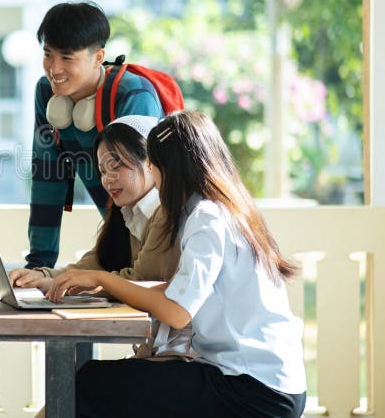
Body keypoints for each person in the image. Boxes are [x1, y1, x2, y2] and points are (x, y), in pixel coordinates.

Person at [47, 111, 307, 418]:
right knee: (98, 381)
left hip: (253, 388)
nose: (155, 179)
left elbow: (177, 311)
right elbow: (178, 290)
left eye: (154, 167)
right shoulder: (223, 210)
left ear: (168, 168)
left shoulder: (207, 218)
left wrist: (106, 282)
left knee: (92, 384)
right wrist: (98, 282)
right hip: (261, 380)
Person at [27, 1, 164, 269]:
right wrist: (39, 265)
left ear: (98, 57)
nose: (54, 69)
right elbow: (47, 178)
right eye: (48, 54)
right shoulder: (46, 93)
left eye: (67, 57)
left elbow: (142, 188)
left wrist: (103, 266)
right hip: (117, 237)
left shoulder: (133, 95)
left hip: (159, 237)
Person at [11, 115, 176, 292]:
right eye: (102, 171)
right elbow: (93, 265)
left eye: (115, 166)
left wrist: (70, 285)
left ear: (150, 162)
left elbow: (141, 281)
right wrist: (43, 276)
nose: (107, 179)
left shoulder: (166, 213)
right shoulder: (126, 214)